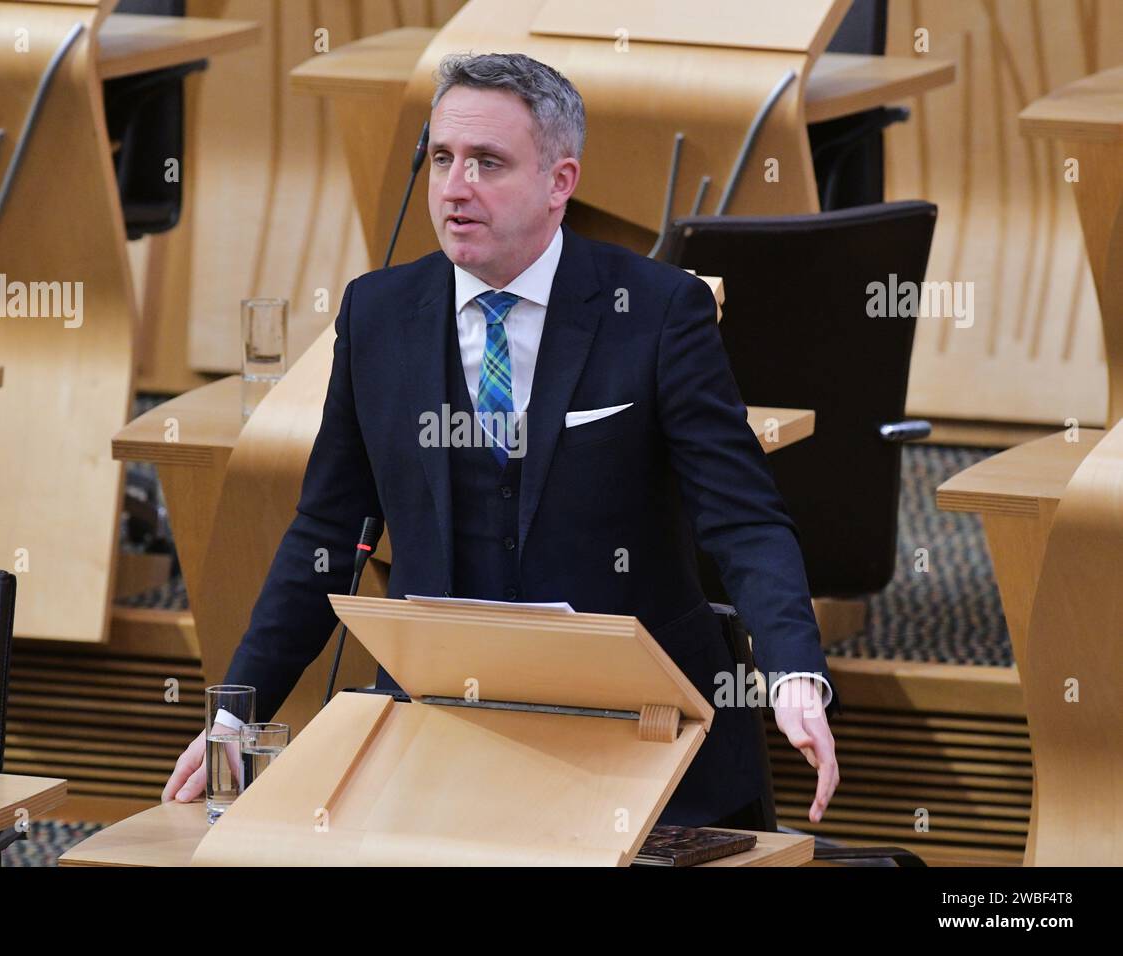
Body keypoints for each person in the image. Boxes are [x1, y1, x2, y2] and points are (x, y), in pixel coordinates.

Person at [163, 52, 839, 827]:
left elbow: (743, 517)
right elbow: (327, 530)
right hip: (439, 729)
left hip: (637, 738)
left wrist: (793, 674)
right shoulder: (377, 314)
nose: (455, 188)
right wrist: (237, 712)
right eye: (443, 158)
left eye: (487, 163)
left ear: (560, 183)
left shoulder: (657, 312)